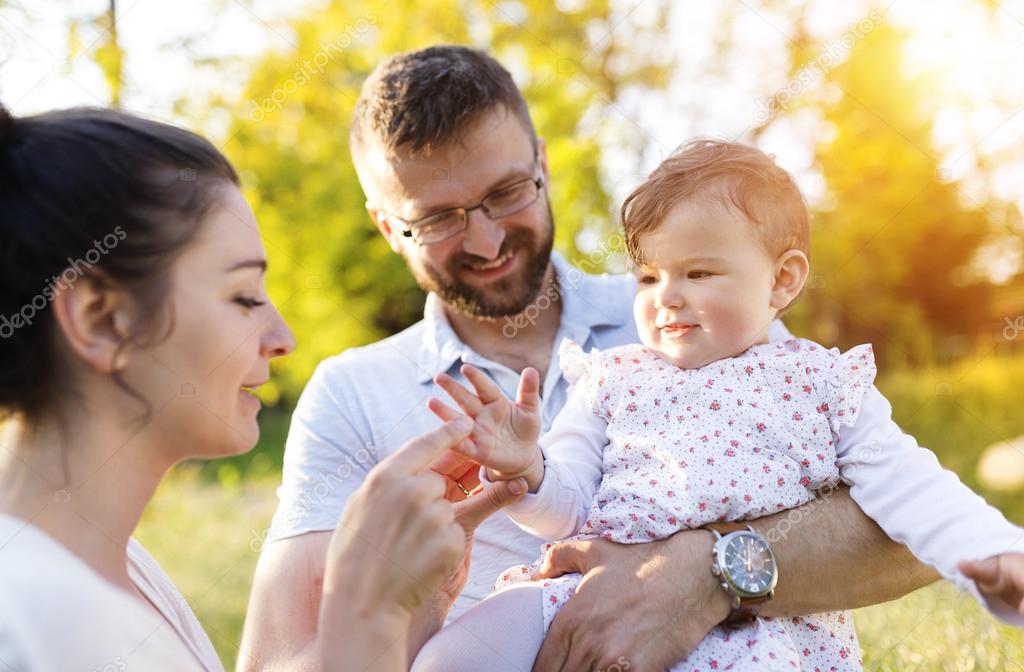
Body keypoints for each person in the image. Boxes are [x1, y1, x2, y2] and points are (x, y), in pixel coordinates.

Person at [243, 46, 973, 671]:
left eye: (506, 193)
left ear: (543, 165)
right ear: (385, 224)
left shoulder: (690, 314)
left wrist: (703, 572)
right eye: (437, 218)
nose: (486, 240)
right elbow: (278, 659)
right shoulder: (351, 396)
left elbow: (901, 539)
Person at [412, 140, 1024, 671]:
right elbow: (566, 510)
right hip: (592, 594)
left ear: (783, 280)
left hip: (757, 628)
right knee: (453, 658)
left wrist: (993, 552)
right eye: (648, 277)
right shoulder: (613, 379)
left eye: (698, 273)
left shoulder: (819, 383)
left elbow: (910, 485)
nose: (666, 298)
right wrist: (527, 470)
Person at [0, 104, 525, 671]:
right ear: (103, 319)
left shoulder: (120, 571)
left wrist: (406, 605)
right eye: (244, 296)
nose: (282, 338)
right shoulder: (28, 614)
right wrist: (363, 615)